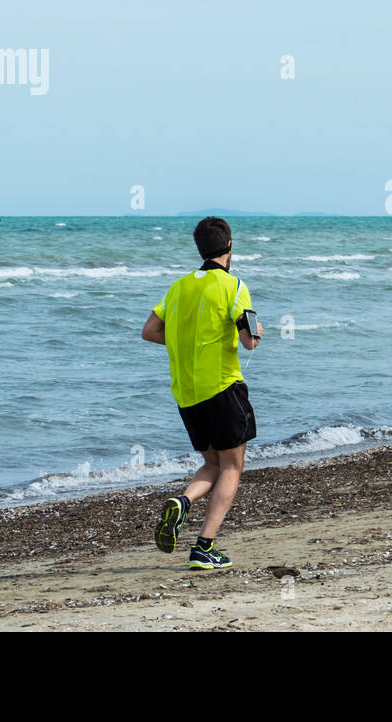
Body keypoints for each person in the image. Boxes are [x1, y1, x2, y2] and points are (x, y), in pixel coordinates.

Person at [141, 217, 262, 569]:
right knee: (232, 467)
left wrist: (189, 343)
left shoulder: (177, 288)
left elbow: (150, 331)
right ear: (229, 247)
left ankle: (183, 501)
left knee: (212, 462)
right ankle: (204, 546)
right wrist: (258, 332)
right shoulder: (233, 286)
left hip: (187, 395)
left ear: (200, 248)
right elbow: (249, 341)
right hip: (223, 387)